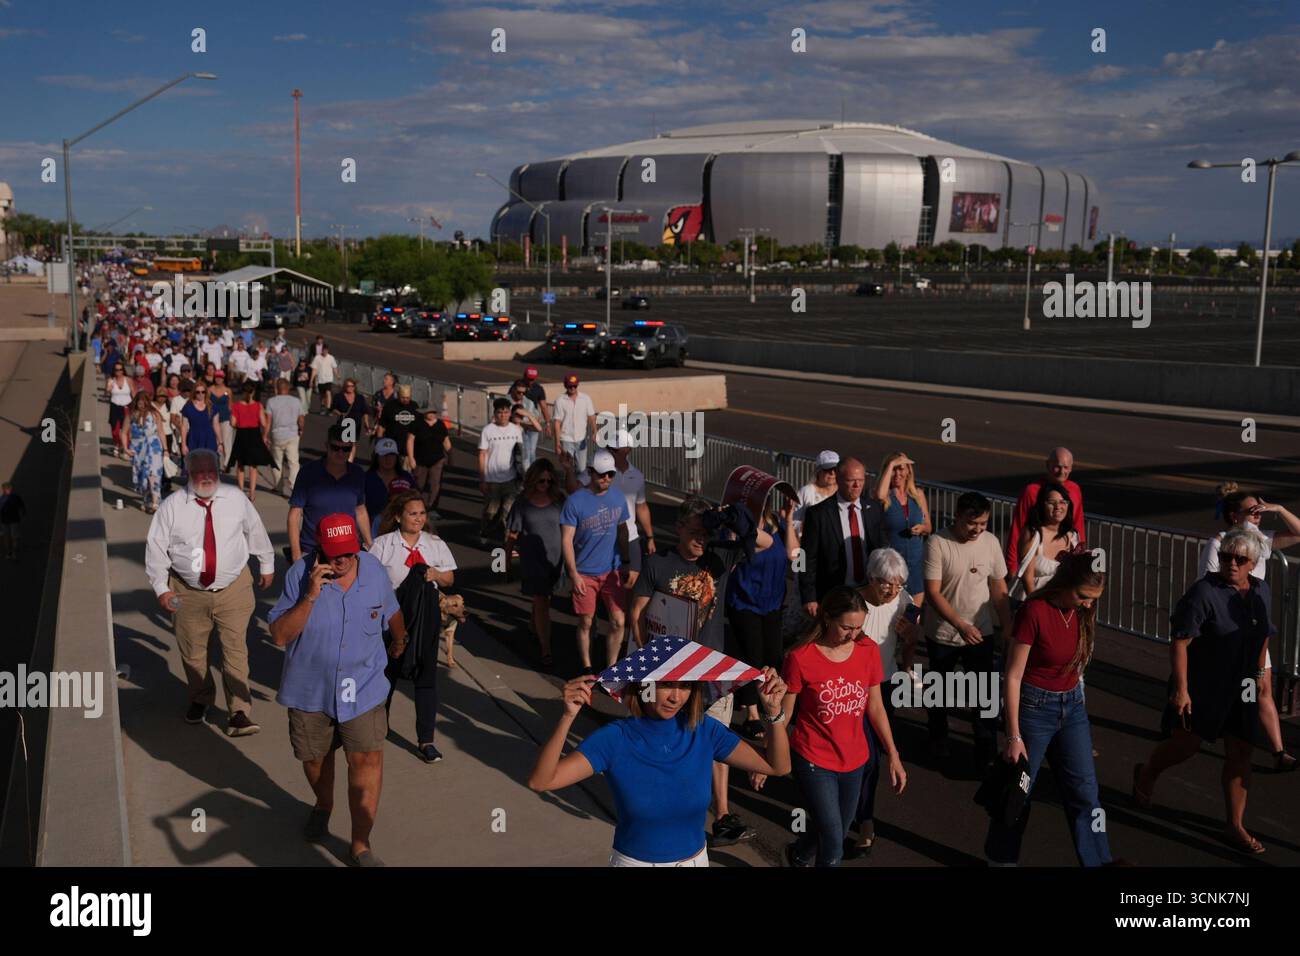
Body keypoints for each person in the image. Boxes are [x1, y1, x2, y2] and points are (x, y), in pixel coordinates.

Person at [528, 663, 791, 867]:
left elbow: (777, 766)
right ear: (643, 685)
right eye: (666, 684)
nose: (676, 697)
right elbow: (542, 781)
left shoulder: (705, 730)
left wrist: (774, 713)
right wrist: (567, 716)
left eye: (685, 685)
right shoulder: (614, 739)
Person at [631, 495, 778, 847]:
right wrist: (647, 662)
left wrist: (731, 520)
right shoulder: (658, 563)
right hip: (670, 673)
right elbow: (637, 612)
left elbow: (768, 543)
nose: (701, 539)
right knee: (670, 740)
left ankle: (723, 814)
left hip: (711, 670)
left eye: (705, 533)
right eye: (695, 531)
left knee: (716, 737)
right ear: (679, 527)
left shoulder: (719, 557)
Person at [269, 513, 407, 867]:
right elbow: (281, 635)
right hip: (311, 692)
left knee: (368, 760)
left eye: (348, 553)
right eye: (334, 554)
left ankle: (360, 844)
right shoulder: (300, 575)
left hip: (364, 687)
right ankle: (324, 803)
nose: (342, 561)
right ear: (319, 550)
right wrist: (310, 597)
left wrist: (400, 638)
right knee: (315, 760)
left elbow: (391, 608)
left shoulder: (372, 568)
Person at [1135, 525, 1274, 855]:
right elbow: (1181, 641)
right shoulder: (1204, 592)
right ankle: (1146, 774)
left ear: (1252, 563)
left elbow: (1263, 631)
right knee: (1187, 745)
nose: (1232, 564)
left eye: (1240, 559)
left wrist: (1259, 673)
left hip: (1243, 686)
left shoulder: (1261, 591)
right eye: (1226, 557)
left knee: (1242, 751)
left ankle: (1234, 825)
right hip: (1205, 683)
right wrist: (1181, 690)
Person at [987, 553, 1113, 866]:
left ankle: (1099, 862)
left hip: (1072, 708)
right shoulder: (1034, 610)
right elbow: (1013, 675)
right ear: (1066, 584)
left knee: (1086, 794)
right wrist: (1013, 735)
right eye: (1083, 596)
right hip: (1034, 708)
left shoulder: (1084, 611)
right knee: (1019, 793)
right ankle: (1001, 860)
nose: (1087, 604)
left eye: (1093, 599)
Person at [145, 448, 276, 737]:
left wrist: (266, 563)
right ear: (188, 474)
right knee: (193, 652)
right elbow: (156, 547)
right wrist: (161, 588)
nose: (206, 477)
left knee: (235, 650)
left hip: (234, 588)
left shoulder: (235, 499)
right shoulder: (173, 506)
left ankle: (239, 711)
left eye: (211, 471)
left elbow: (255, 530)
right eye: (199, 472)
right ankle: (200, 698)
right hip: (186, 591)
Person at [781, 586, 906, 867]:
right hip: (813, 758)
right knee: (835, 841)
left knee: (830, 827)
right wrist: (765, 758)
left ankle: (798, 855)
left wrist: (893, 754)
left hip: (855, 760)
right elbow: (785, 714)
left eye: (859, 627)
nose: (854, 634)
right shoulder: (800, 657)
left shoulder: (868, 650)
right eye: (847, 627)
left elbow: (875, 706)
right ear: (826, 618)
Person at [1198, 483, 1300, 771]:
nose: (1258, 516)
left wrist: (1278, 509)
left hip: (1255, 632)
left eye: (1260, 511)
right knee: (1224, 692)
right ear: (1234, 516)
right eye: (1252, 511)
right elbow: (1206, 585)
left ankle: (1279, 752)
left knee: (1263, 689)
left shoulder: (1260, 541)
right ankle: (1189, 727)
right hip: (1227, 634)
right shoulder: (1218, 543)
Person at [923, 491, 1011, 772]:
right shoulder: (938, 542)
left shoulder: (991, 543)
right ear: (958, 517)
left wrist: (1007, 625)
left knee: (983, 694)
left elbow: (999, 588)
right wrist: (960, 625)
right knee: (940, 691)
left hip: (980, 633)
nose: (977, 530)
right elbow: (933, 593)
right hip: (943, 635)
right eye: (971, 523)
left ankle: (985, 751)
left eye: (983, 524)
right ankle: (937, 737)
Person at [370, 491, 457, 762]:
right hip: (391, 616)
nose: (419, 519)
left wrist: (436, 574)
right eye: (412, 513)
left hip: (425, 618)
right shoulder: (383, 544)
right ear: (398, 517)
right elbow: (369, 579)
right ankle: (377, 729)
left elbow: (449, 580)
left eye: (422, 514)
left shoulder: (435, 544)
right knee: (387, 674)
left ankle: (426, 740)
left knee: (426, 678)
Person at [852, 547, 920, 853]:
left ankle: (864, 816)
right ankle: (851, 810)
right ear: (871, 578)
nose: (893, 592)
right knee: (858, 753)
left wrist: (910, 642)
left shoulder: (903, 602)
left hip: (886, 683)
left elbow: (910, 642)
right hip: (853, 687)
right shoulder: (851, 602)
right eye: (886, 585)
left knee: (872, 755)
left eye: (898, 585)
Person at [726, 495, 800, 739]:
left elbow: (794, 554)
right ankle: (752, 714)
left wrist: (789, 520)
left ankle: (771, 707)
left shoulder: (775, 523)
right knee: (752, 657)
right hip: (746, 602)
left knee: (773, 657)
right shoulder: (740, 528)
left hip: (772, 603)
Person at [562, 449, 633, 674]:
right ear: (591, 473)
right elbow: (567, 539)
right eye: (601, 474)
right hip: (584, 572)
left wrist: (627, 561)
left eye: (610, 474)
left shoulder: (618, 498)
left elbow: (623, 531)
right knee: (586, 622)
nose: (606, 479)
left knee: (619, 621)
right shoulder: (575, 502)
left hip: (611, 570)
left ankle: (611, 667)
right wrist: (573, 575)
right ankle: (587, 666)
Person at [797, 457, 886, 616]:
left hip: (868, 592)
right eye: (851, 480)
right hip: (833, 594)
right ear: (838, 479)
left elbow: (883, 548)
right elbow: (804, 557)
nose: (857, 485)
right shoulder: (818, 514)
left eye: (861, 480)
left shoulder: (874, 509)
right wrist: (808, 597)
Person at [507, 459, 566, 669]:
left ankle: (534, 624)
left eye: (549, 481)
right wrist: (505, 562)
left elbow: (570, 529)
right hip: (532, 560)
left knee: (545, 599)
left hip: (555, 559)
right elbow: (512, 535)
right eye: (541, 481)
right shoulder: (522, 503)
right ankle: (545, 648)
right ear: (533, 479)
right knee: (542, 600)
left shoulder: (559, 500)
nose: (545, 485)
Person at [287, 423, 372, 564]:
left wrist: (370, 544)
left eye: (346, 449)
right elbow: (294, 515)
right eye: (335, 448)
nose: (340, 453)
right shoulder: (308, 472)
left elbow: (360, 510)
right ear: (326, 446)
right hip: (314, 552)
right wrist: (296, 555)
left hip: (348, 552)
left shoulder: (357, 473)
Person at [1007, 447, 1086, 575]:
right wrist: (1012, 567)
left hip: (1065, 560)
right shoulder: (1032, 491)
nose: (1062, 471)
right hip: (1038, 560)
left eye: (1066, 467)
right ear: (1048, 465)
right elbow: (1018, 528)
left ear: (1071, 468)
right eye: (1057, 467)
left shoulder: (1075, 490)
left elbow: (1078, 526)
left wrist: (1081, 558)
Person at [873, 451, 931, 605]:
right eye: (894, 469)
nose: (898, 473)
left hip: (915, 565)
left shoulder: (917, 495)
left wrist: (922, 528)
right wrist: (891, 463)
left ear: (908, 471)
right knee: (893, 615)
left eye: (901, 468)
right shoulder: (885, 497)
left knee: (913, 617)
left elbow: (929, 527)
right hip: (893, 568)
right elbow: (879, 495)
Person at [1010, 482, 1078, 598]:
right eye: (1051, 503)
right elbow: (1027, 579)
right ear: (1042, 505)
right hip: (1028, 601)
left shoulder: (1072, 536)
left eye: (1063, 502)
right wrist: (1038, 609)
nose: (1058, 507)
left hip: (1059, 603)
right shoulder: (1032, 533)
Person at [478, 397, 523, 546]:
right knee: (491, 512)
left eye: (506, 412)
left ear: (510, 413)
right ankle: (484, 531)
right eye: (500, 412)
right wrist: (482, 479)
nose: (503, 415)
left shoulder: (516, 430)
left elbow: (519, 454)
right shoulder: (487, 430)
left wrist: (521, 476)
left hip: (510, 480)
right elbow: (482, 454)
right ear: (495, 413)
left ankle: (507, 543)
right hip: (492, 480)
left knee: (507, 512)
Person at [228, 382, 272, 502]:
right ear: (253, 392)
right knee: (253, 466)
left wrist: (240, 422)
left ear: (243, 392)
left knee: (241, 465)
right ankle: (252, 493)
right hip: (254, 435)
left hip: (242, 435)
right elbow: (263, 423)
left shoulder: (236, 406)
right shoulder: (258, 405)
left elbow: (232, 423)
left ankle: (241, 490)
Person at [126, 391, 167, 513]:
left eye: (144, 403)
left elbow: (161, 432)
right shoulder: (132, 415)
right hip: (138, 449)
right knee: (142, 475)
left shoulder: (154, 414)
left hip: (154, 447)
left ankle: (155, 501)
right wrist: (125, 448)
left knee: (154, 473)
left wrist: (166, 450)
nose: (142, 405)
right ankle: (146, 499)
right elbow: (123, 432)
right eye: (139, 403)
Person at [365, 438, 414, 539]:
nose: (388, 459)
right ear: (376, 457)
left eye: (392, 455)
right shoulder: (366, 478)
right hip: (373, 529)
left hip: (402, 529)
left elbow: (416, 501)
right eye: (384, 455)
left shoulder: (406, 477)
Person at [407, 407, 451, 519]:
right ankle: (416, 508)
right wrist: (411, 458)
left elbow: (446, 441)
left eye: (434, 412)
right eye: (430, 412)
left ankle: (432, 508)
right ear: (425, 413)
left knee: (435, 484)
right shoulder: (417, 424)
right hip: (420, 460)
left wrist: (450, 456)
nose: (432, 414)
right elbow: (410, 440)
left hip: (437, 460)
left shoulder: (440, 425)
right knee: (418, 485)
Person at [266, 378, 306, 496]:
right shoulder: (296, 401)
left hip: (277, 434)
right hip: (292, 434)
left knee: (277, 462)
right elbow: (301, 419)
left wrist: (265, 435)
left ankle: (278, 487)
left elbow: (268, 421)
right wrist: (301, 429)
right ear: (288, 388)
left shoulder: (271, 401)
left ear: (277, 388)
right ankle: (293, 483)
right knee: (293, 462)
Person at [552, 372, 596, 471]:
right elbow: (557, 423)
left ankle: (579, 486)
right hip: (566, 439)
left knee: (581, 469)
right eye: (570, 386)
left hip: (581, 439)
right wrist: (557, 443)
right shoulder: (560, 400)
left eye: (575, 386)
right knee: (568, 469)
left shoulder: (586, 398)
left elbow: (592, 416)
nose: (572, 388)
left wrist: (595, 431)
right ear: (565, 385)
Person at [794, 449, 839, 535]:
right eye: (828, 469)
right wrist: (808, 526)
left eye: (835, 469)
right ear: (818, 471)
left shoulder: (843, 492)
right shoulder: (806, 492)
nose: (832, 473)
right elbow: (793, 521)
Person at [179, 381, 222, 464]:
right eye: (198, 392)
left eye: (203, 392)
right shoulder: (188, 407)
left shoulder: (212, 406)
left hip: (209, 439)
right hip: (193, 439)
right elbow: (184, 427)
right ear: (194, 392)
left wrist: (220, 443)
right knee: (195, 466)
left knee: (209, 466)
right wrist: (183, 444)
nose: (200, 394)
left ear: (206, 392)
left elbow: (216, 425)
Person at [330, 379, 371, 463]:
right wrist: (340, 414)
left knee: (352, 443)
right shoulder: (339, 396)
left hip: (356, 424)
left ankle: (349, 461)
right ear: (345, 386)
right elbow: (333, 409)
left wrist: (366, 424)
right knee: (342, 442)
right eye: (348, 386)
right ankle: (341, 458)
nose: (350, 388)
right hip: (343, 423)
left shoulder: (360, 398)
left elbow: (365, 412)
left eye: (352, 386)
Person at [377, 383, 419, 459]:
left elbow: (418, 426)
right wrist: (379, 442)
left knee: (406, 469)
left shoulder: (414, 406)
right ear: (398, 395)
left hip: (408, 446)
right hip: (392, 444)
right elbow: (382, 426)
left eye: (407, 398)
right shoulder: (390, 406)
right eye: (403, 397)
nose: (405, 400)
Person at [520, 367, 551, 469]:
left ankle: (531, 474)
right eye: (529, 378)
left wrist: (547, 423)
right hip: (520, 424)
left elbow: (543, 406)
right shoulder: (518, 386)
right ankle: (526, 473)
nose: (530, 381)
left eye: (532, 379)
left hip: (533, 424)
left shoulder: (538, 389)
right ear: (524, 376)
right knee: (525, 450)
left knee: (531, 451)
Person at [106, 359, 134, 458]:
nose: (118, 372)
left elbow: (133, 394)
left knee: (126, 429)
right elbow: (107, 393)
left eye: (120, 369)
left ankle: (124, 447)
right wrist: (108, 388)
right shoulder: (111, 380)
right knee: (115, 430)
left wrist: (135, 407)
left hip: (127, 406)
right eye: (116, 370)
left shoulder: (129, 380)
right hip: (115, 406)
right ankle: (117, 445)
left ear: (123, 370)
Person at [209, 370, 234, 468]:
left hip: (226, 417)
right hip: (213, 418)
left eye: (220, 377)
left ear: (224, 379)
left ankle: (227, 463)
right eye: (217, 377)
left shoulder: (228, 390)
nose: (218, 379)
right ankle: (216, 461)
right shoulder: (209, 389)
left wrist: (232, 417)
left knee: (227, 440)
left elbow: (230, 405)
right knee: (216, 441)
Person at [0, 481, 25, 559]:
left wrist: (22, 513)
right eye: (8, 488)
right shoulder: (15, 498)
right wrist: (22, 514)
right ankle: (11, 552)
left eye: (9, 488)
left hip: (11, 521)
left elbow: (22, 507)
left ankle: (12, 552)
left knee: (11, 537)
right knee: (10, 537)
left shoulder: (3, 499)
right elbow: (22, 507)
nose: (9, 489)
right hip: (9, 521)